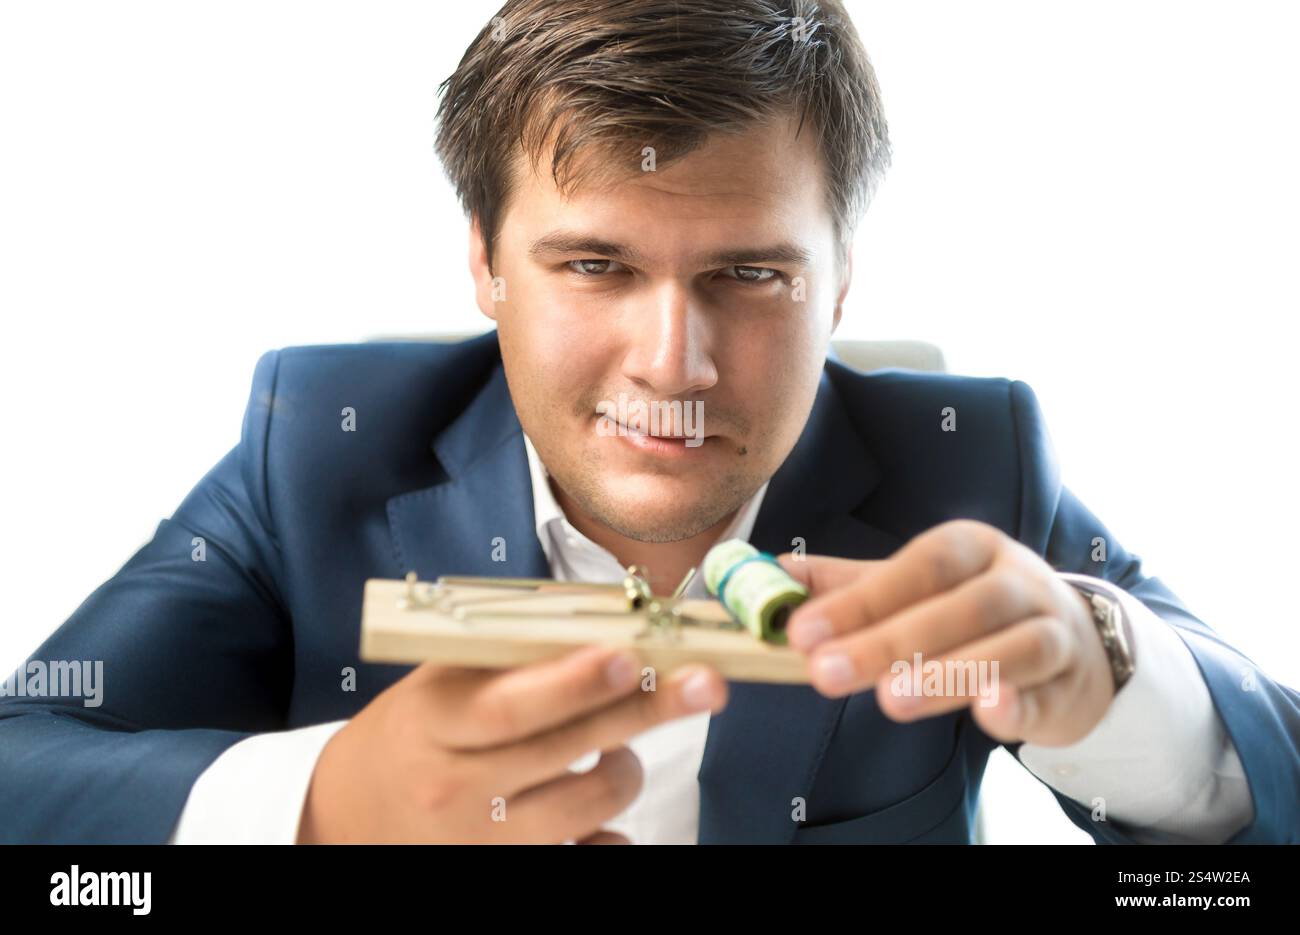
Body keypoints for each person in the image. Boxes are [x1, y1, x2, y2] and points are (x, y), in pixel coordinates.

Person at [2, 0, 1295, 844]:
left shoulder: (969, 468)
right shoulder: (317, 454)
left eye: (751, 274)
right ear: (484, 266)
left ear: (841, 281)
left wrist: (1108, 682)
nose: (675, 362)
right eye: (595, 267)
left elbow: (1272, 788)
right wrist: (323, 806)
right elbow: (25, 774)